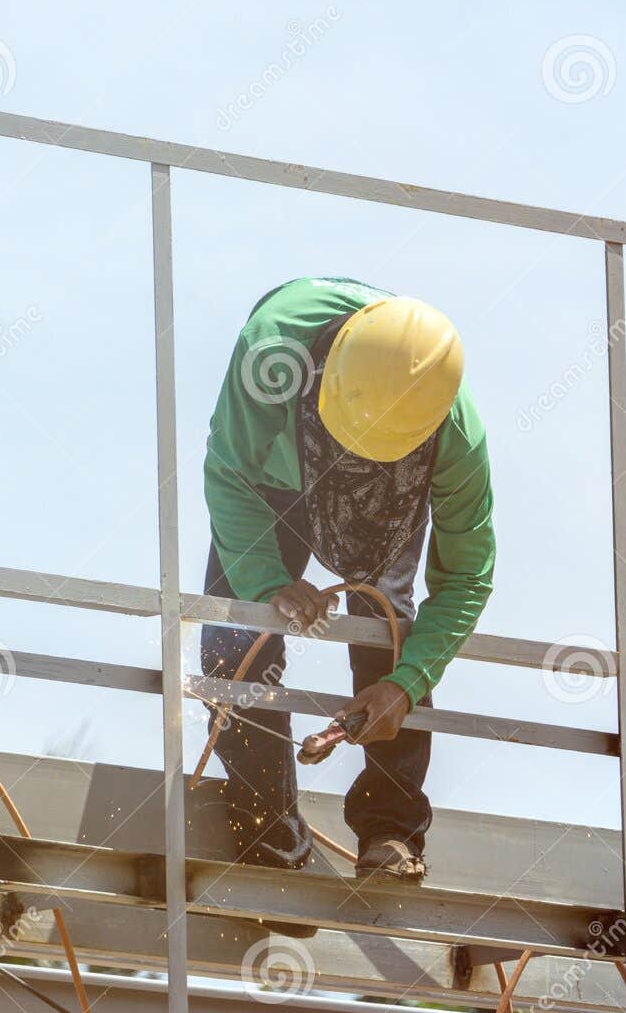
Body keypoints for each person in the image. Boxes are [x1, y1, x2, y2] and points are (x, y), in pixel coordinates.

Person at [201, 277, 495, 882]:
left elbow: (466, 573)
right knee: (240, 636)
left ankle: (389, 831)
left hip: (384, 500)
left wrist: (407, 685)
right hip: (271, 481)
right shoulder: (273, 353)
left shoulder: (452, 431)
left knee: (386, 629)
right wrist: (265, 581)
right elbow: (229, 472)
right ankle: (268, 833)